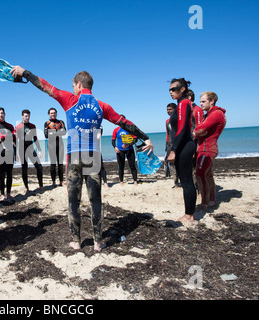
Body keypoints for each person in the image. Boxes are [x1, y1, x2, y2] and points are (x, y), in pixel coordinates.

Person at [10, 65, 153, 251]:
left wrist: (25, 73)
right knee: (95, 200)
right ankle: (98, 242)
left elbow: (45, 86)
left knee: (73, 201)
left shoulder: (70, 99)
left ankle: (76, 242)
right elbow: (124, 123)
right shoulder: (102, 106)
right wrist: (145, 137)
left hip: (74, 157)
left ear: (78, 84)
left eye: (73, 85)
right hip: (93, 157)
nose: (72, 88)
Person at [167, 78, 197, 223]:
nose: (171, 92)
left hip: (184, 145)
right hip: (183, 145)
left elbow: (183, 129)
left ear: (183, 89)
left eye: (174, 89)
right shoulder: (181, 103)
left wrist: (174, 150)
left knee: (186, 182)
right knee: (186, 181)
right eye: (169, 90)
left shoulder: (184, 103)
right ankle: (189, 213)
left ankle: (189, 215)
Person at [193, 92, 226, 209]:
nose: (200, 104)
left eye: (203, 101)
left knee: (200, 174)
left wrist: (198, 132)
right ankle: (211, 200)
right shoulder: (209, 115)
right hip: (205, 148)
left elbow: (199, 129)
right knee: (208, 176)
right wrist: (200, 132)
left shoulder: (216, 113)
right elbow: (200, 131)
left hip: (207, 149)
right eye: (200, 101)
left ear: (212, 101)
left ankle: (205, 202)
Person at [15, 109, 44, 194]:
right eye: (25, 116)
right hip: (21, 149)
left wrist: (39, 150)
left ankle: (41, 185)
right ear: (22, 116)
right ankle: (26, 187)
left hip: (31, 148)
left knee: (39, 167)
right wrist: (15, 153)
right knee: (24, 169)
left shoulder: (32, 126)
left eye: (28, 116)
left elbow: (35, 139)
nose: (27, 117)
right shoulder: (18, 126)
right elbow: (15, 140)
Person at [0, 107, 16, 201]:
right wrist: (8, 136)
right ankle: (2, 195)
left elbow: (14, 139)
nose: (1, 115)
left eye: (2, 113)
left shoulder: (10, 126)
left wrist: (16, 153)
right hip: (1, 152)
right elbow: (0, 136)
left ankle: (9, 194)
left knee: (10, 174)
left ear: (5, 114)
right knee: (2, 174)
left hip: (10, 151)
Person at [112, 116, 138, 185]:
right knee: (121, 166)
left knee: (132, 166)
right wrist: (115, 147)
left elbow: (135, 139)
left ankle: (135, 181)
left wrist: (129, 145)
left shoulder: (130, 129)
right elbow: (113, 140)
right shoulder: (116, 130)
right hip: (120, 151)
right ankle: (121, 181)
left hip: (130, 150)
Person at [44, 108, 66, 186]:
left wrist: (52, 132)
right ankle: (53, 181)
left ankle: (61, 181)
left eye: (54, 113)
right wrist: (58, 132)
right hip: (51, 145)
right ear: (49, 114)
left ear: (56, 113)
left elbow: (64, 132)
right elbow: (46, 135)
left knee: (60, 164)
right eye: (51, 113)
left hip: (60, 145)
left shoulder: (61, 122)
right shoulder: (47, 123)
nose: (53, 114)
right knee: (53, 164)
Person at [165, 103, 180, 188]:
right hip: (170, 145)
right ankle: (175, 183)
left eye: (170, 109)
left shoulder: (180, 119)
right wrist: (167, 146)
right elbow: (168, 134)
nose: (168, 111)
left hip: (179, 144)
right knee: (172, 165)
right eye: (167, 110)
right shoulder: (167, 121)